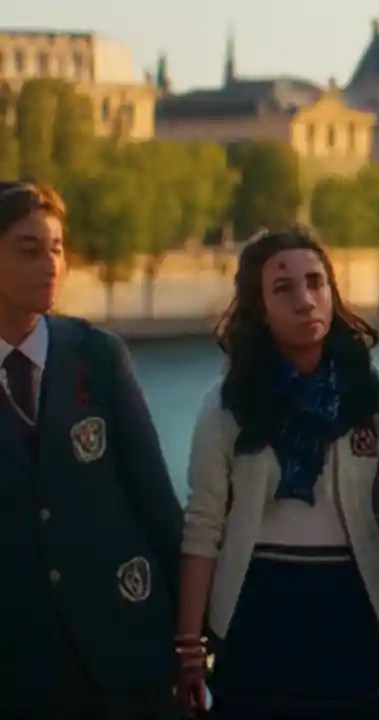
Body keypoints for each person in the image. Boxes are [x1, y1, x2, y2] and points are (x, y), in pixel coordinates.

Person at [176, 229, 379, 719]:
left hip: (357, 607)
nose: (305, 300)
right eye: (283, 289)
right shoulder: (227, 405)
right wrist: (189, 648)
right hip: (258, 610)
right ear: (258, 307)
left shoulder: (374, 399)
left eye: (316, 283)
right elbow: (203, 526)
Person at [0, 180, 183, 718]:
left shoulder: (100, 357)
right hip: (18, 667)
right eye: (29, 250)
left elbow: (156, 505)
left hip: (125, 657)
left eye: (57, 248)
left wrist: (190, 640)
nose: (51, 264)